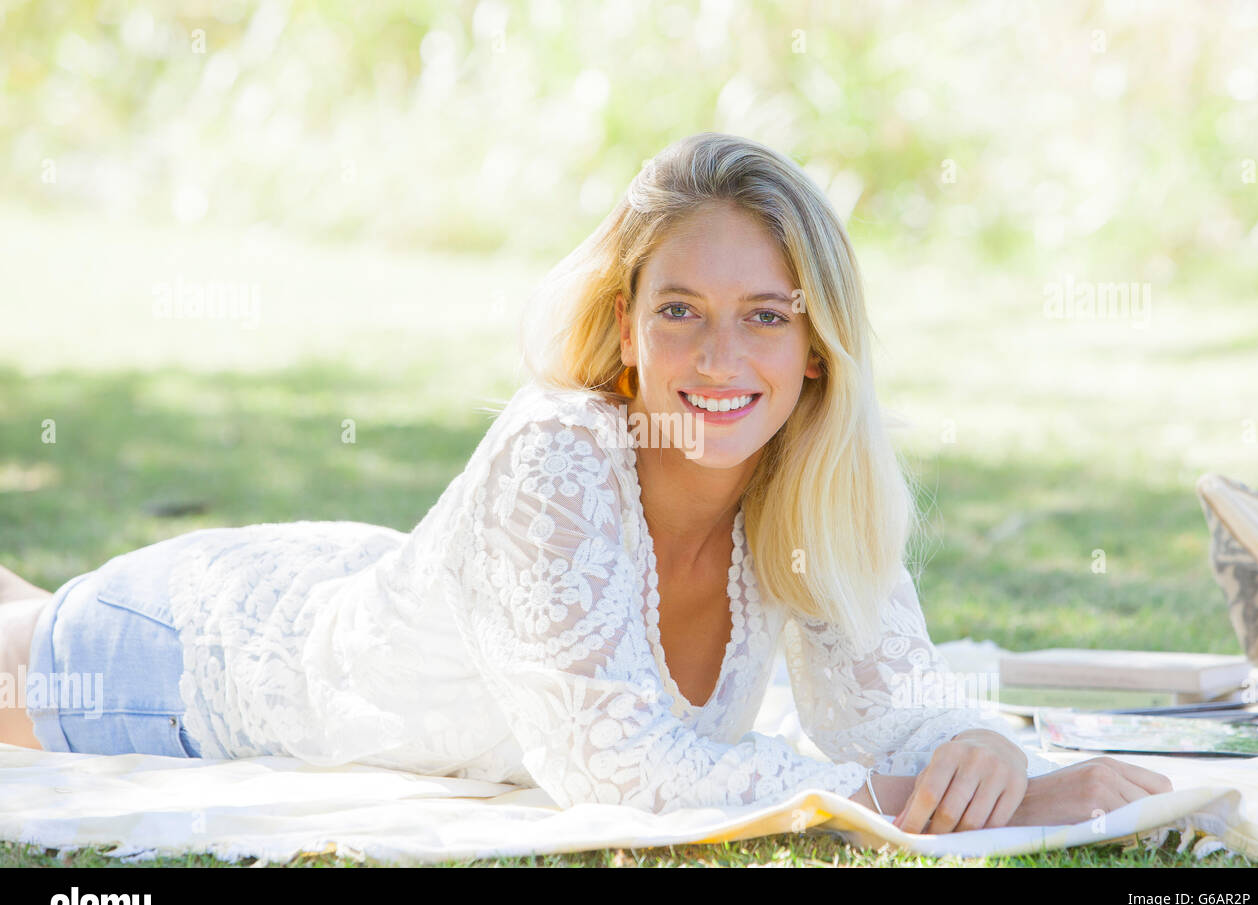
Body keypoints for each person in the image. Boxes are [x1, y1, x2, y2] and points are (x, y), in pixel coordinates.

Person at [0, 132, 1171, 834]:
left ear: (815, 345)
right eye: (681, 312)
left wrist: (981, 755)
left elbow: (891, 709)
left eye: (765, 317)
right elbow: (619, 770)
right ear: (627, 324)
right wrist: (914, 798)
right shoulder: (557, 448)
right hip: (187, 667)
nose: (721, 361)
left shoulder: (811, 486)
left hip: (338, 585)